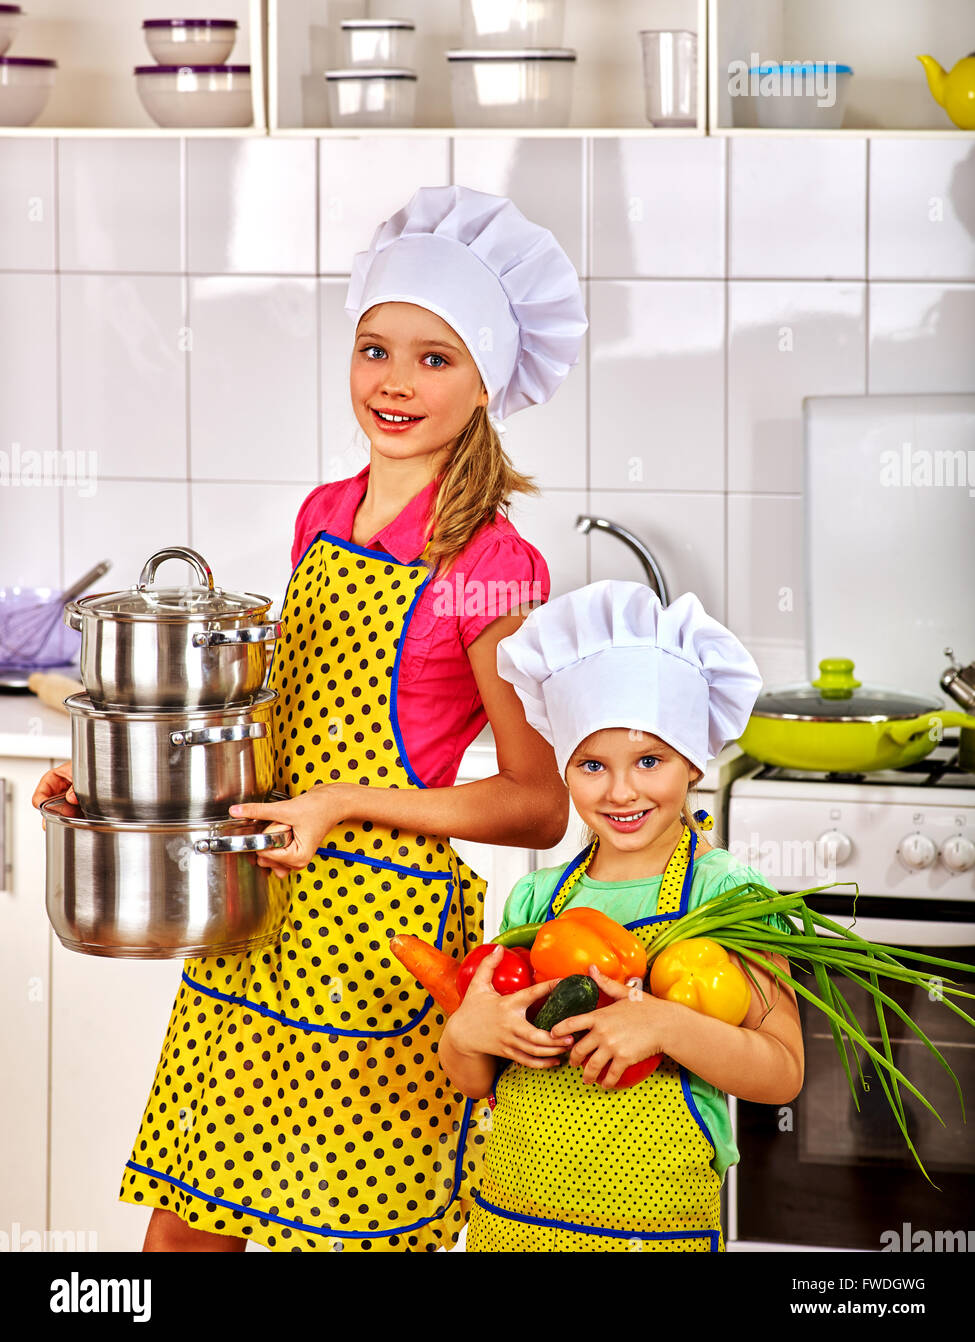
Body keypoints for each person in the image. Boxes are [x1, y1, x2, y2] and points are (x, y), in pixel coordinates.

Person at [32, 184, 588, 1253]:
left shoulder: (490, 565)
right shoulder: (323, 513)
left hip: (376, 951)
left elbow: (534, 803)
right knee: (183, 1234)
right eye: (377, 348)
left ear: (487, 384)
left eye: (436, 358)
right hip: (251, 922)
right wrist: (113, 792)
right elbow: (267, 731)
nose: (394, 381)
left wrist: (342, 803)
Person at [438, 580, 805, 1252]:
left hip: (654, 1228)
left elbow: (780, 1073)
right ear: (564, 769)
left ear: (692, 761)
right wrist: (466, 1033)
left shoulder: (726, 895)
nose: (621, 790)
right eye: (590, 765)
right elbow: (470, 1078)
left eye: (648, 760)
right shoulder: (535, 901)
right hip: (510, 1221)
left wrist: (664, 1023)